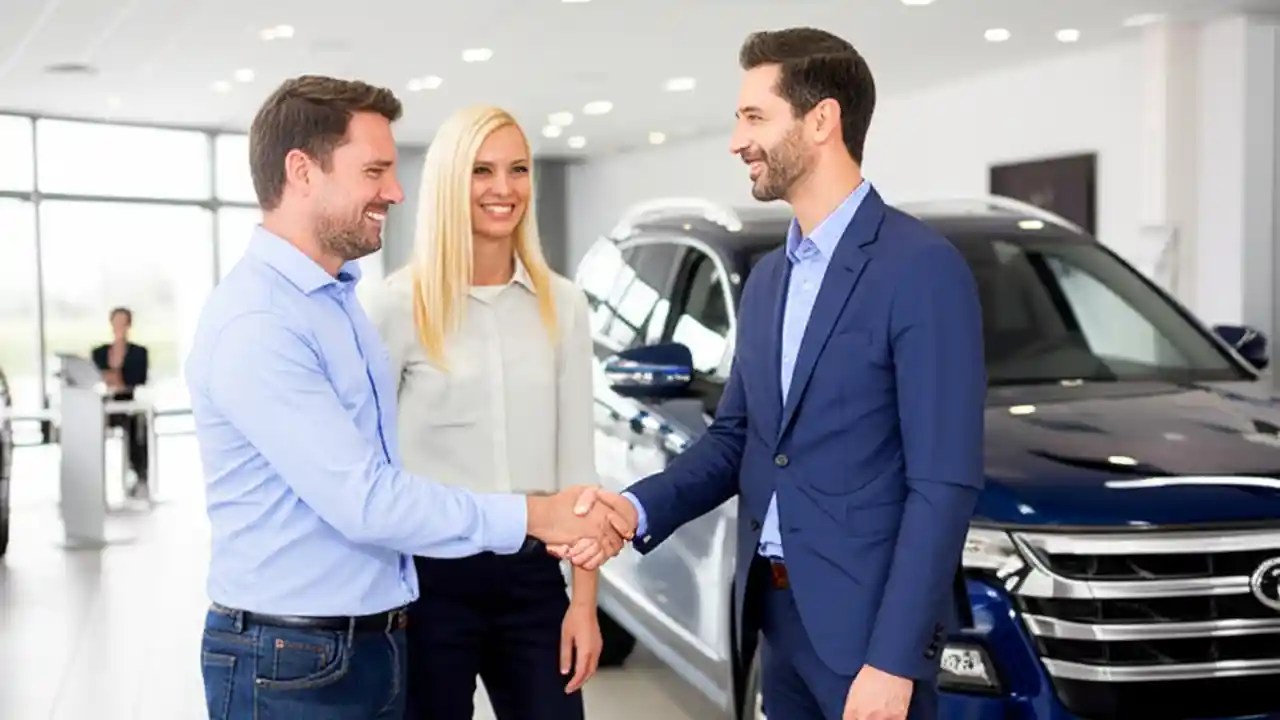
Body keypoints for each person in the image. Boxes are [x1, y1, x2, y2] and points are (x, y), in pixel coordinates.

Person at [184, 75, 628, 720]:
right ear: (303, 172)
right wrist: (534, 515)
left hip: (372, 626)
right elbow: (366, 496)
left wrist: (579, 591)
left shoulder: (336, 305)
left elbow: (372, 474)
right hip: (317, 636)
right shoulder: (271, 321)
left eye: (518, 170)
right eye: (375, 171)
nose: (394, 191)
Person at [577, 27, 986, 720]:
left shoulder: (920, 268)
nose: (737, 141)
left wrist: (893, 660)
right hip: (774, 619)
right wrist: (636, 507)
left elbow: (943, 485)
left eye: (754, 117)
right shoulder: (770, 279)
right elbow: (739, 438)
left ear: (821, 119)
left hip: (866, 635)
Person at [365, 104, 600, 720]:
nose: (504, 189)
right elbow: (368, 471)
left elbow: (578, 468)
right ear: (449, 183)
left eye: (518, 169)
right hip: (427, 585)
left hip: (533, 583)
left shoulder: (565, 306)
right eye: (482, 170)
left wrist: (583, 605)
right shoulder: (395, 307)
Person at [91, 306, 149, 498]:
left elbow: (138, 380)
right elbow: (93, 379)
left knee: (137, 425)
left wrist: (118, 380)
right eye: (117, 321)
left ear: (129, 324)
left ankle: (140, 475)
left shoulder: (138, 353)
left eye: (123, 322)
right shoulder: (98, 353)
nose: (120, 326)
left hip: (128, 407)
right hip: (103, 408)